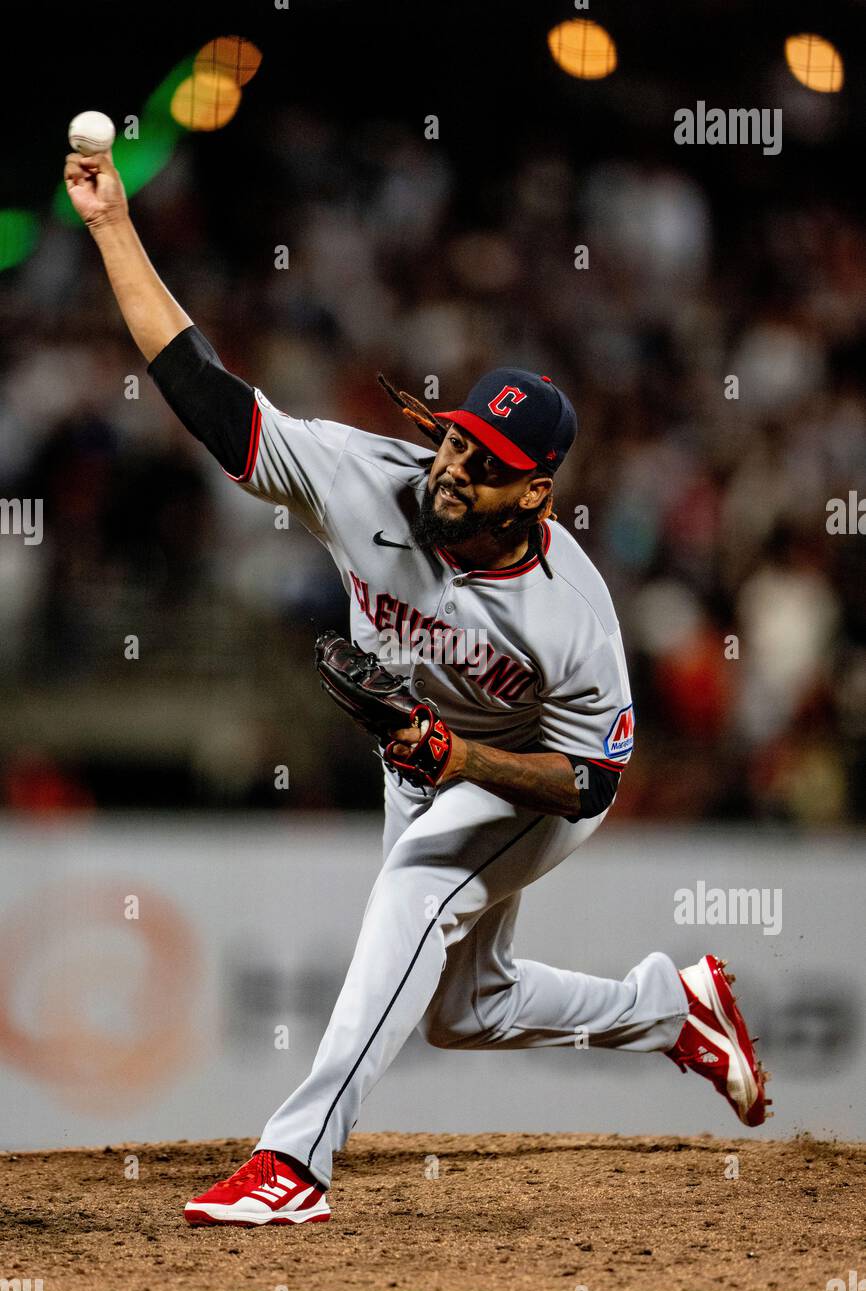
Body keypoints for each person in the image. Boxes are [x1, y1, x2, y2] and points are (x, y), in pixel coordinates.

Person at [65, 149, 770, 1228]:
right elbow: (210, 398)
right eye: (453, 441)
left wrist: (459, 762)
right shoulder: (365, 481)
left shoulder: (566, 617)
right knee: (466, 1009)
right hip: (426, 754)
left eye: (481, 462)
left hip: (524, 775)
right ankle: (670, 1006)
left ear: (531, 488)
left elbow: (586, 782)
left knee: (414, 892)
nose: (449, 468)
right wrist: (115, 228)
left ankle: (294, 1161)